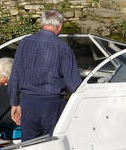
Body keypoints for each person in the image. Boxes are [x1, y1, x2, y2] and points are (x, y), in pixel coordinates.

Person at [9, 10, 81, 141]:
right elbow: (74, 83)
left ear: (42, 24)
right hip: (51, 103)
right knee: (51, 144)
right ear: (59, 27)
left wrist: (14, 103)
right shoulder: (63, 48)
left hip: (28, 102)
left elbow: (15, 75)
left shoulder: (25, 42)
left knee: (28, 146)